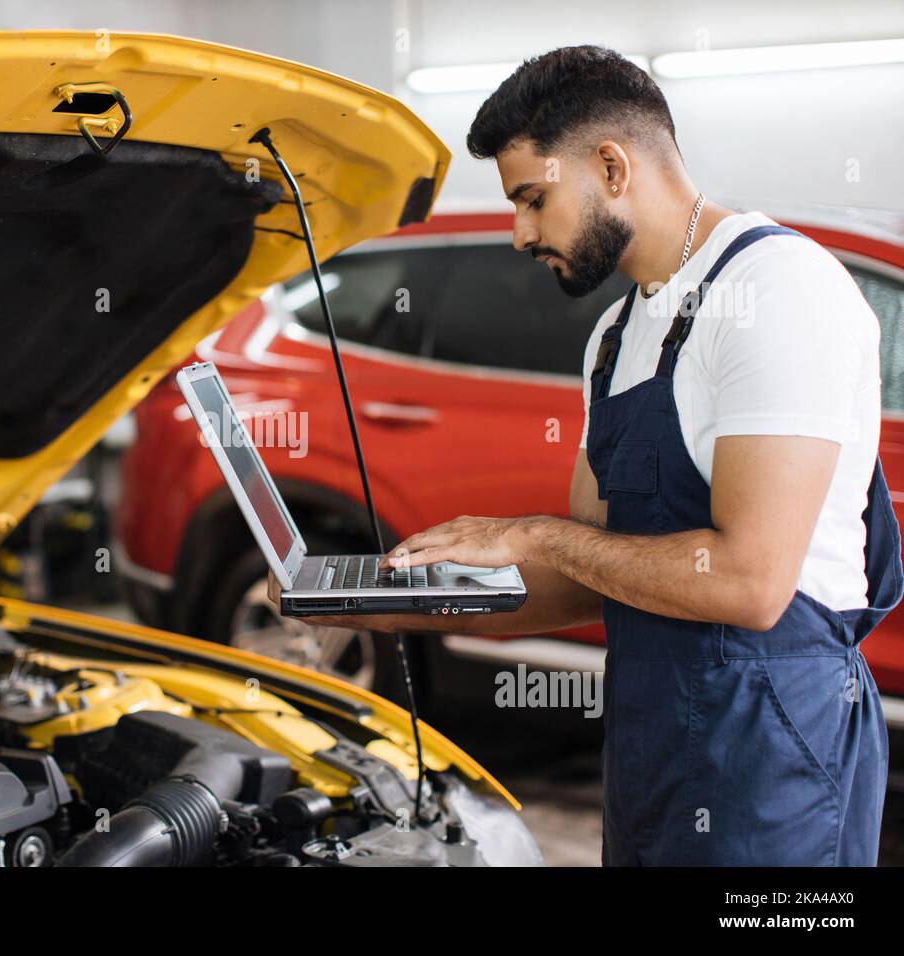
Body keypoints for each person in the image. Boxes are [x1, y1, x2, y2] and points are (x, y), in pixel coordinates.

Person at [269, 45, 901, 866]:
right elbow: (590, 570)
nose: (520, 232)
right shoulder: (614, 337)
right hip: (651, 738)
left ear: (610, 165)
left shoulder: (777, 294)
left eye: (533, 198)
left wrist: (530, 534)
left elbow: (749, 582)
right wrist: (383, 603)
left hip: (772, 743)